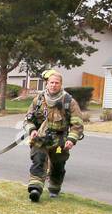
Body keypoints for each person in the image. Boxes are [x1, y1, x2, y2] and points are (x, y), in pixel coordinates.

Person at [23, 70, 84, 201]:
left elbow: (77, 124)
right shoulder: (38, 100)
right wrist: (32, 130)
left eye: (56, 83)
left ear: (61, 84)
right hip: (40, 138)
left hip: (60, 142)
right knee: (38, 160)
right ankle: (35, 189)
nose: (53, 85)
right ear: (47, 84)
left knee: (58, 164)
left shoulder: (69, 101)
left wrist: (71, 139)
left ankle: (54, 189)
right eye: (51, 82)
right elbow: (28, 120)